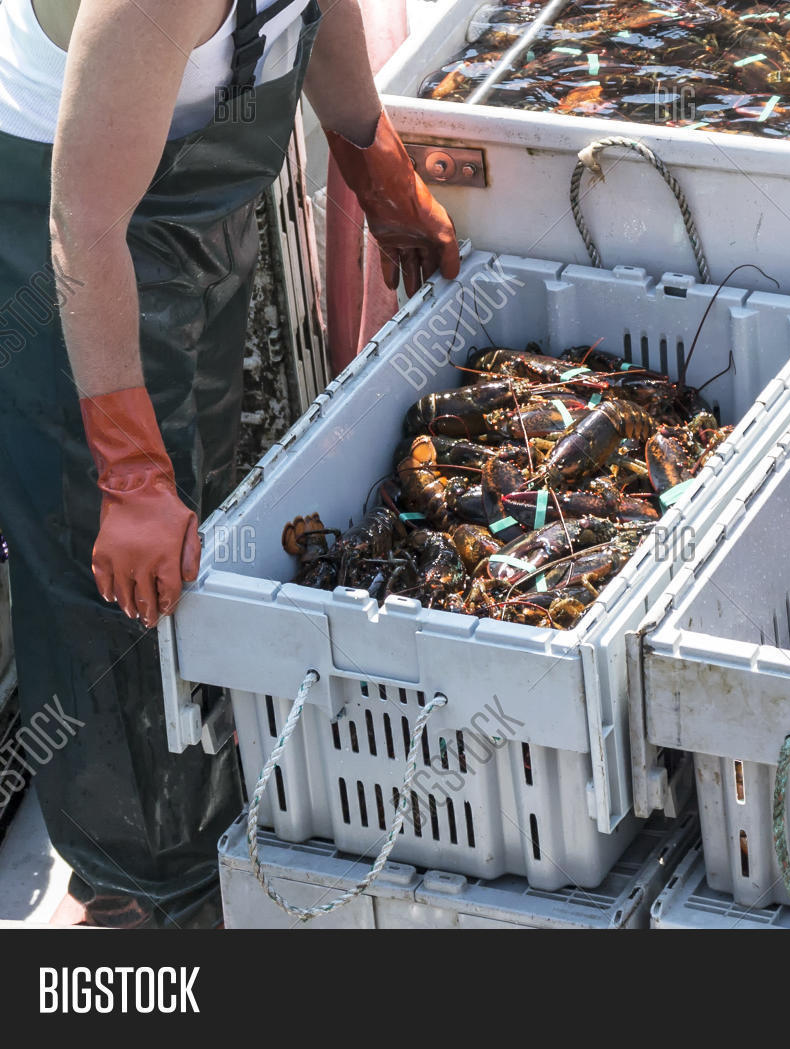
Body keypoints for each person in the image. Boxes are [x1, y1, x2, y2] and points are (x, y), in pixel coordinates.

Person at [0, 0, 459, 928]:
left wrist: (375, 162)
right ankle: (131, 891)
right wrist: (127, 474)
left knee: (194, 522)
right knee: (105, 585)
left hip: (182, 215)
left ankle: (205, 824)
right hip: (61, 252)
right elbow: (83, 224)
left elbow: (317, 14)